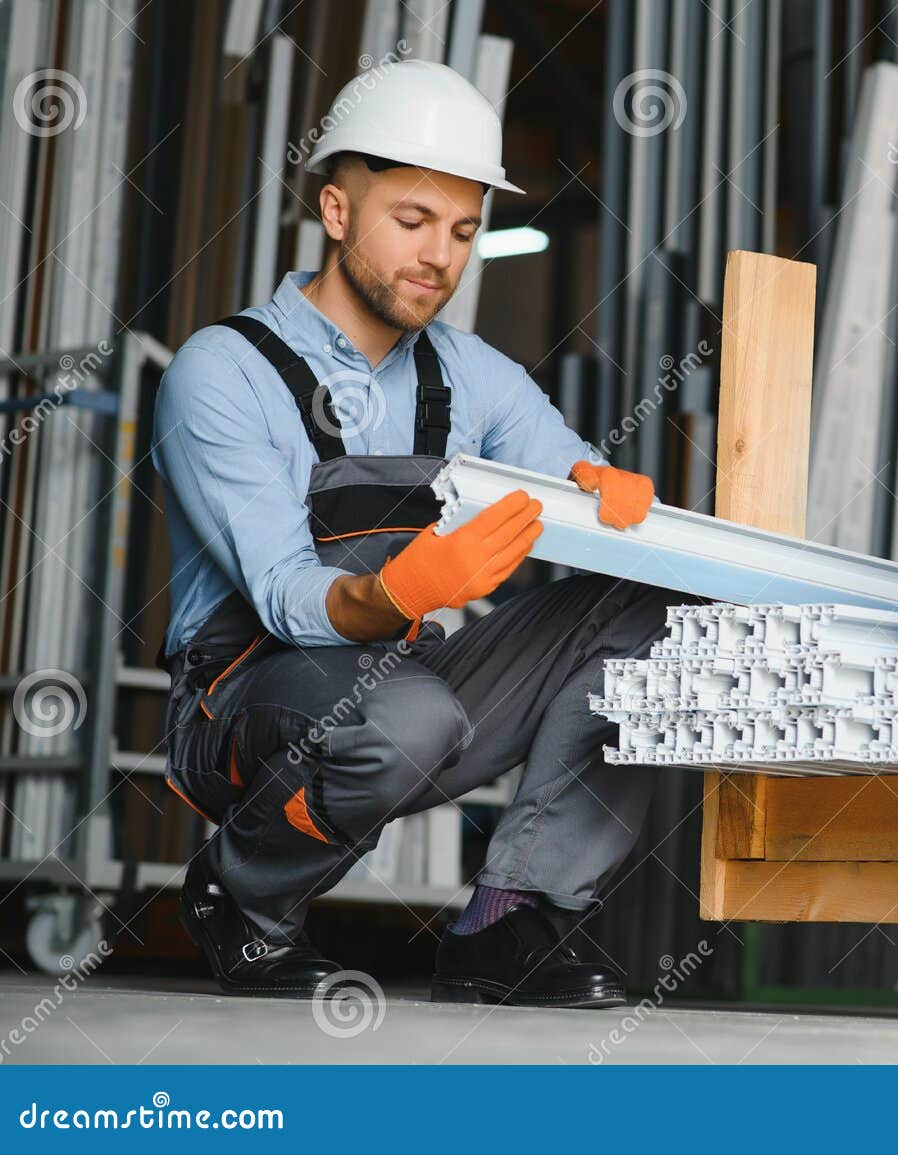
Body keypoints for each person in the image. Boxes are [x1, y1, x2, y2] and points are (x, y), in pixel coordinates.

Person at [153, 59, 671, 1007]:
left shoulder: (472, 374)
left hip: (402, 682)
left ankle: (509, 919)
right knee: (406, 715)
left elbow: (566, 466)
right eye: (413, 220)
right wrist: (395, 594)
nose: (441, 255)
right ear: (339, 212)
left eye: (466, 230)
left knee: (650, 610)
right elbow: (280, 595)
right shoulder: (222, 372)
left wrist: (607, 493)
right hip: (240, 706)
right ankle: (244, 901)